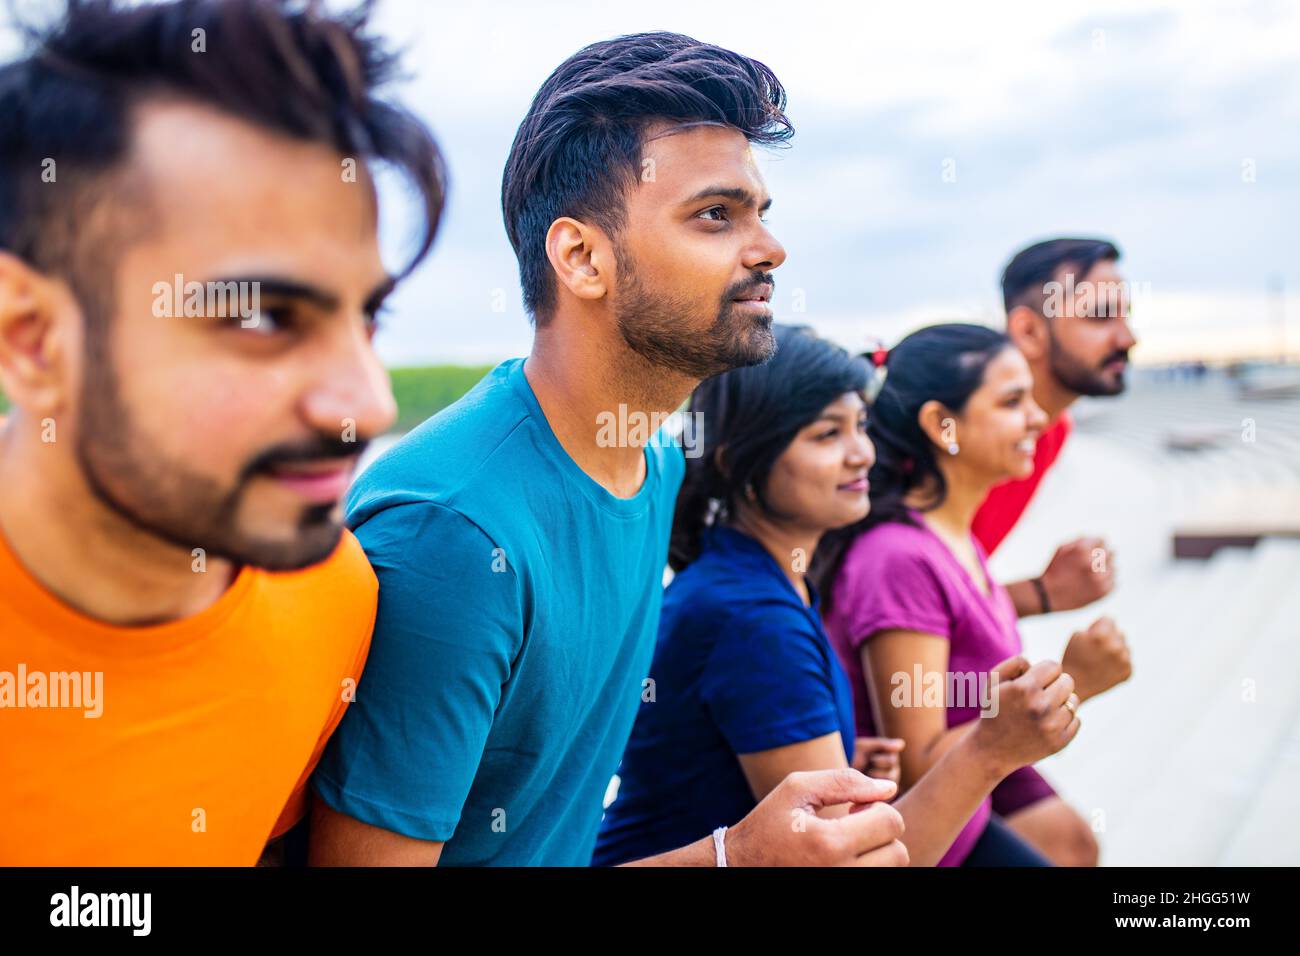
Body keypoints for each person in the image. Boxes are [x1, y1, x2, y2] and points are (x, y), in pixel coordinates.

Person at [309, 32, 907, 867]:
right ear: (582, 257)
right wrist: (734, 859)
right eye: (716, 215)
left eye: (761, 214)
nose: (771, 249)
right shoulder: (455, 533)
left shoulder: (652, 463)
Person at [0, 0, 445, 864]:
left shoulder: (331, 594)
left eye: (367, 318)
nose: (368, 401)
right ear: (33, 340)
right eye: (264, 318)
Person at [594, 325, 1085, 867]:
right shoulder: (754, 619)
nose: (862, 455)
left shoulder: (762, 579)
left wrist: (842, 755)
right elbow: (849, 864)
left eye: (862, 427)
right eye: (828, 434)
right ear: (739, 461)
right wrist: (988, 750)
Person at [819, 323, 1133, 865]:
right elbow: (917, 762)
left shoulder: (950, 536)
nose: (1038, 418)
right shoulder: (898, 558)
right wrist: (1073, 681)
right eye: (1013, 402)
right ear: (943, 425)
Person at [974, 238, 1140, 864]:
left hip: (948, 679)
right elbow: (886, 590)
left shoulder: (1053, 430)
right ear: (1028, 330)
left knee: (1072, 844)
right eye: (1101, 315)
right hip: (888, 707)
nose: (1127, 337)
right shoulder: (957, 431)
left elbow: (952, 583)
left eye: (1125, 314)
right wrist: (1044, 596)